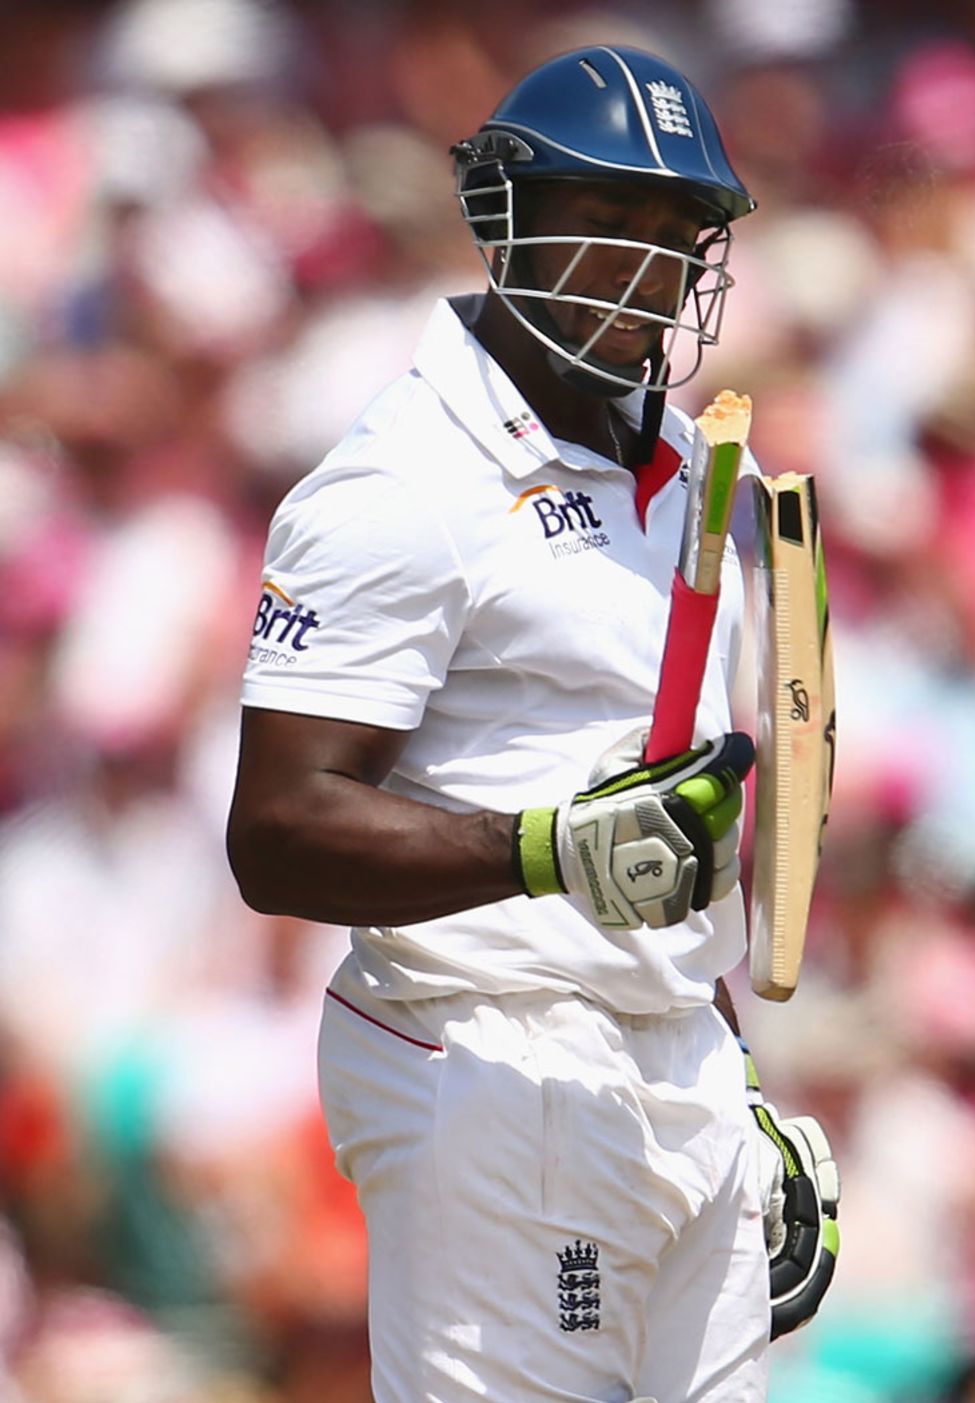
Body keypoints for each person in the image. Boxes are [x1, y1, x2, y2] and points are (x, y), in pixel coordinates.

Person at [227, 44, 839, 1403]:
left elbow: (673, 824)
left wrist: (729, 1079)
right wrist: (549, 852)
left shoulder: (695, 471)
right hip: (491, 1059)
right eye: (610, 224)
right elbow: (277, 833)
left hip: (675, 1063)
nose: (650, 271)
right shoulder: (403, 483)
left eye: (679, 238)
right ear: (507, 219)